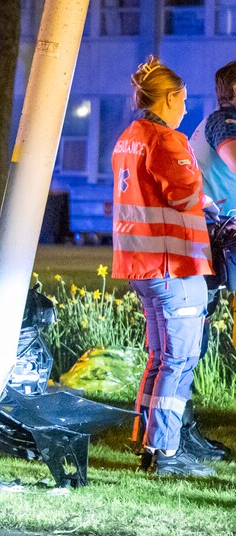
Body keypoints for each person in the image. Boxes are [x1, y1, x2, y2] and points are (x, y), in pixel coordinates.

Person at [112, 56, 216, 477]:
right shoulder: (166, 140)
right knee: (180, 361)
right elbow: (184, 194)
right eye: (184, 100)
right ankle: (166, 453)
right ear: (169, 98)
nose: (187, 109)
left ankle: (149, 444)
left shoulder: (129, 138)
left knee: (160, 359)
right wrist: (206, 197)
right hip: (175, 265)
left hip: (143, 266)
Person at [180, 61, 236, 462]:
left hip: (211, 244)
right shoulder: (224, 124)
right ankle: (177, 431)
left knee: (190, 342)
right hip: (208, 245)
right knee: (188, 343)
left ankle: (178, 429)